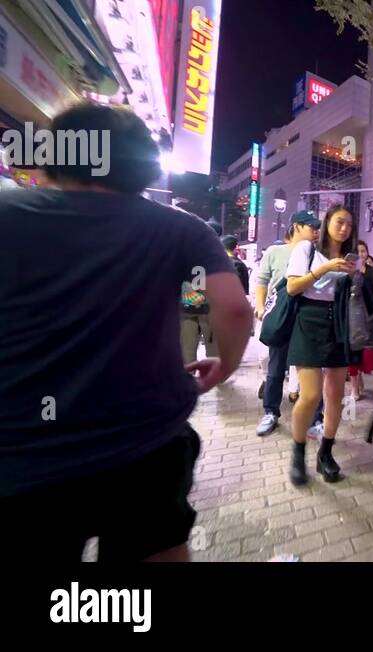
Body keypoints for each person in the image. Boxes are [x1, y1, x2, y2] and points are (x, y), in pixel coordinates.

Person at [0, 103, 252, 562]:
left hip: (23, 456)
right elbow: (234, 309)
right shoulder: (180, 228)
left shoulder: (9, 209)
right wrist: (226, 366)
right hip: (145, 446)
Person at [284, 205, 361, 485]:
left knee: (335, 395)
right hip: (309, 320)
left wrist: (354, 278)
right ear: (328, 222)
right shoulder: (306, 250)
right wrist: (325, 268)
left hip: (338, 322)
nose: (344, 228)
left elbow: (353, 295)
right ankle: (298, 452)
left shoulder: (350, 258)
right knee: (310, 395)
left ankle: (325, 452)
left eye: (350, 225)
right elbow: (292, 287)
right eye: (340, 222)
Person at [254, 211, 321, 436]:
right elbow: (262, 281)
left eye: (317, 228)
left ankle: (315, 418)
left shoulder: (316, 253)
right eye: (311, 227)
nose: (316, 232)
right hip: (282, 315)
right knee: (276, 368)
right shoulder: (275, 251)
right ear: (296, 226)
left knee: (311, 370)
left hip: (306, 317)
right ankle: (270, 412)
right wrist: (261, 307)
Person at [180, 219, 224, 364]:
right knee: (213, 350)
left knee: (187, 351)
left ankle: (189, 379)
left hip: (186, 307)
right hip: (209, 310)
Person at [348, 240, 373, 400]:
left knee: (368, 361)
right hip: (353, 318)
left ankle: (360, 374)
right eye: (357, 251)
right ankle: (354, 385)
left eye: (363, 251)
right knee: (353, 352)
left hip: (369, 317)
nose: (360, 254)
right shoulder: (348, 273)